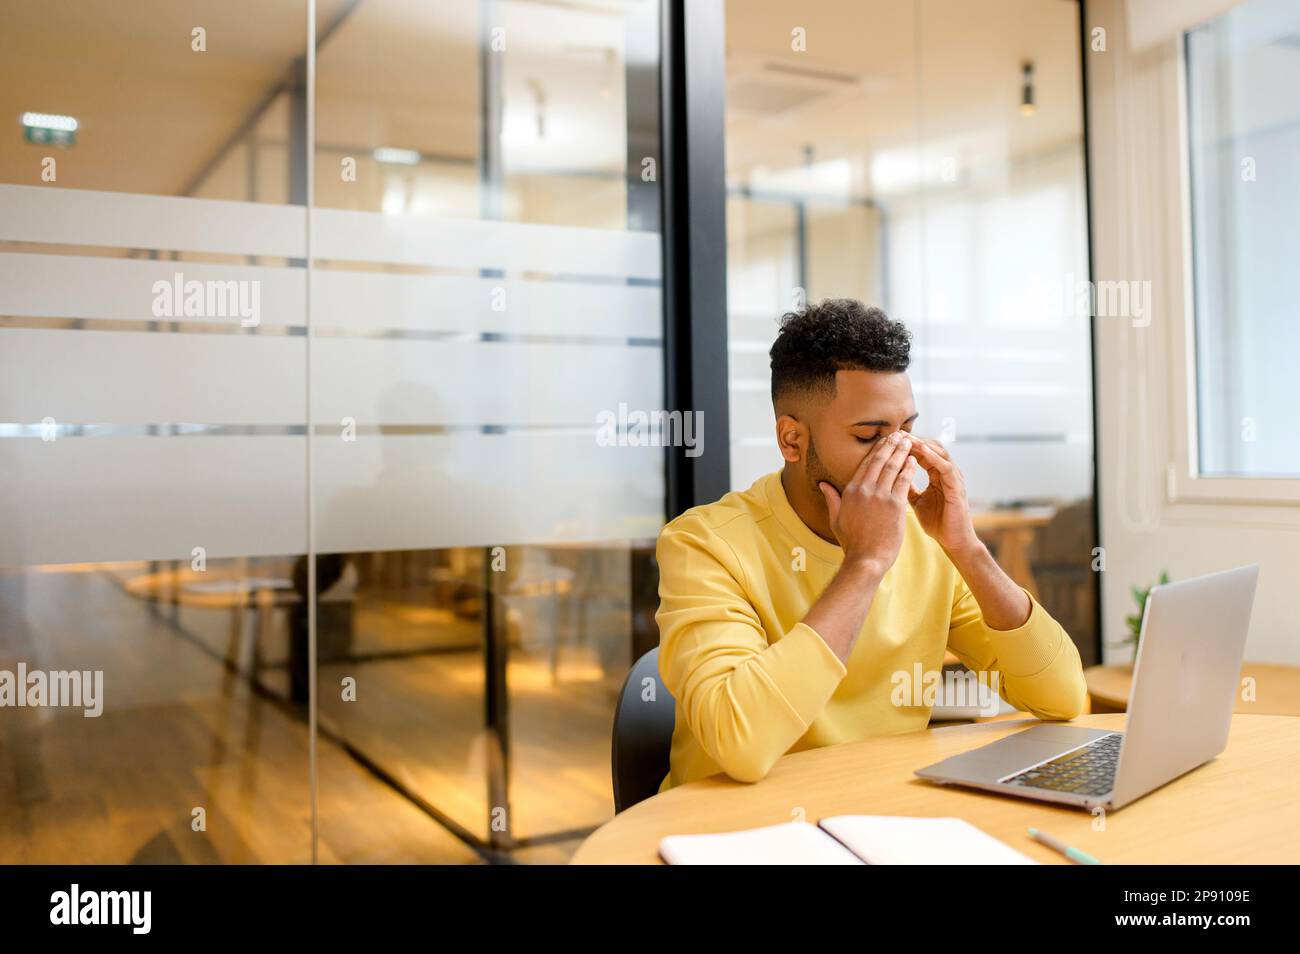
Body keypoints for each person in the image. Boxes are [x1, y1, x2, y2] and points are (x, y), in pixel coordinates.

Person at [655, 299, 1086, 789]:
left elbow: (1063, 696)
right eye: (869, 436)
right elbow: (742, 746)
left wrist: (964, 547)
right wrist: (865, 564)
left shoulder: (925, 539)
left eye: (906, 430)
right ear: (792, 440)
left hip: (878, 815)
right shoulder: (703, 543)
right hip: (730, 834)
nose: (900, 456)